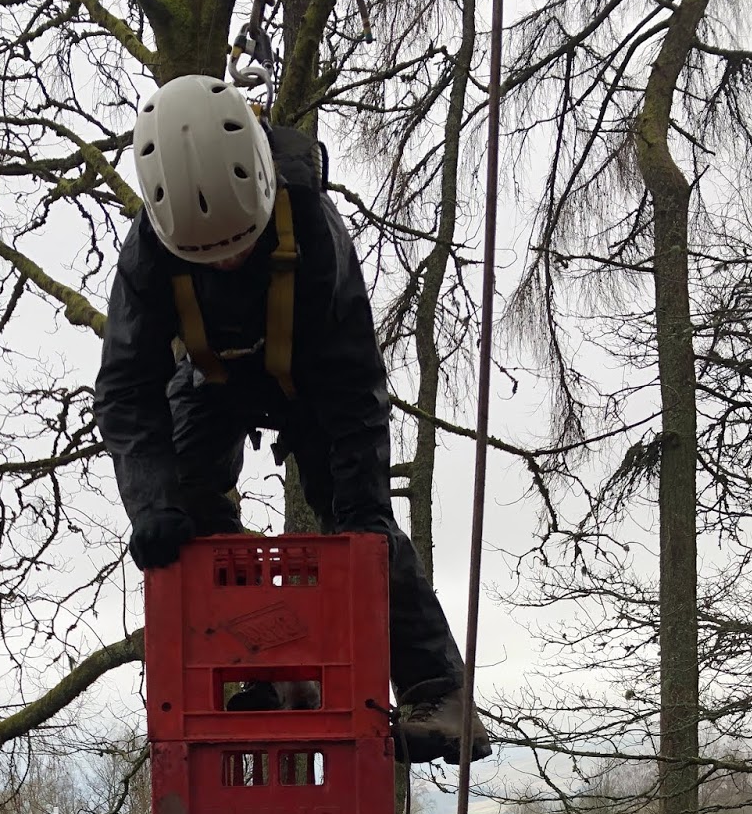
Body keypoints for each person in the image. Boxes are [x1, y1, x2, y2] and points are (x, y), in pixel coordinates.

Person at [94, 75, 489, 765]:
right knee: (185, 514)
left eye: (239, 247)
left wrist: (363, 505)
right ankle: (277, 673)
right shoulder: (149, 253)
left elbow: (354, 380)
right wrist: (150, 504)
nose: (228, 262)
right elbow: (128, 389)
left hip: (315, 376)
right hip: (211, 376)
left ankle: (440, 693)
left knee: (360, 525)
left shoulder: (311, 226)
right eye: (210, 257)